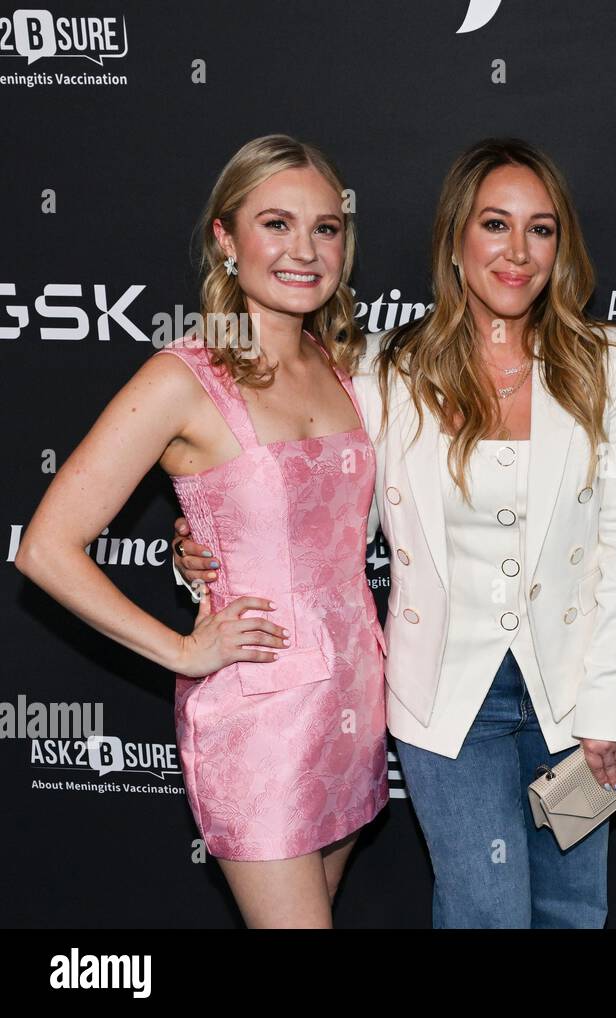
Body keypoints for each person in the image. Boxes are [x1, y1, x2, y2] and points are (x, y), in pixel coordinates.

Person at [179, 137, 616, 928]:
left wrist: (613, 707)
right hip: (446, 698)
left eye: (540, 229)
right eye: (495, 225)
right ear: (456, 240)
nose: (517, 252)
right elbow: (312, 512)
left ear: (562, 245)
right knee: (487, 914)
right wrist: (200, 544)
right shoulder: (384, 371)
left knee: (572, 913)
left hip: (576, 694)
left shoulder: (611, 363)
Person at [18, 134, 388, 928]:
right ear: (226, 239)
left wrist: (201, 556)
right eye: (276, 224)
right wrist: (184, 651)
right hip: (261, 720)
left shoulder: (342, 366)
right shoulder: (183, 377)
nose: (303, 250)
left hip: (356, 701)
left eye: (326, 228)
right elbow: (46, 547)